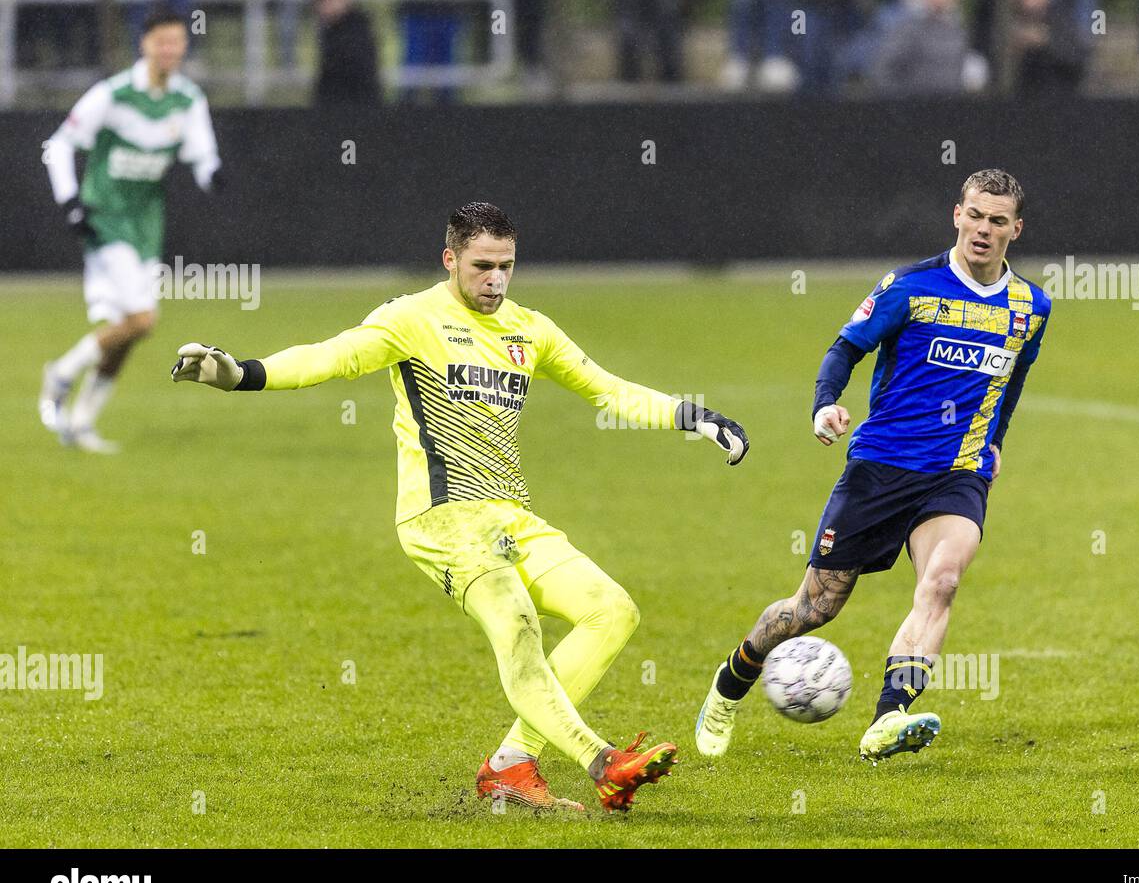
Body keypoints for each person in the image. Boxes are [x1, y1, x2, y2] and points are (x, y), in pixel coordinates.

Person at [171, 202, 751, 812]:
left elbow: (607, 388)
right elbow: (332, 356)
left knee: (612, 611)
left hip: (511, 516)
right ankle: (601, 761)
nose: (495, 280)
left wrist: (696, 417)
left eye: (506, 266)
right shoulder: (412, 318)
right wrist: (242, 374)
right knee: (519, 625)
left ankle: (510, 767)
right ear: (450, 260)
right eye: (481, 266)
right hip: (441, 519)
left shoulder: (530, 329)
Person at [695, 169, 1051, 763]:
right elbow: (846, 348)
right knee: (814, 608)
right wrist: (824, 406)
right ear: (956, 215)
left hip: (956, 473)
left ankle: (889, 718)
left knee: (942, 581)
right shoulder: (910, 286)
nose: (983, 230)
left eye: (997, 221)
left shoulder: (1030, 308)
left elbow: (1011, 384)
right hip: (880, 467)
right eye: (974, 215)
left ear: (1016, 228)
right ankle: (730, 684)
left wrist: (997, 443)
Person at [39, 8, 222, 454]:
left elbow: (204, 156)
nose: (170, 51)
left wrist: (214, 177)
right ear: (145, 44)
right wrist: (69, 202)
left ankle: (80, 423)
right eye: (162, 42)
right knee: (142, 320)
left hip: (145, 224)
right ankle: (60, 373)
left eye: (177, 42)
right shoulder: (113, 94)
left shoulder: (187, 100)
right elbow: (58, 145)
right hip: (105, 217)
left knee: (128, 330)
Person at [314, 0, 380, 105]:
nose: (322, 7)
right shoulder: (330, 29)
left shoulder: (357, 28)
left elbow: (355, 72)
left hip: (355, 106)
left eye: (326, 0)